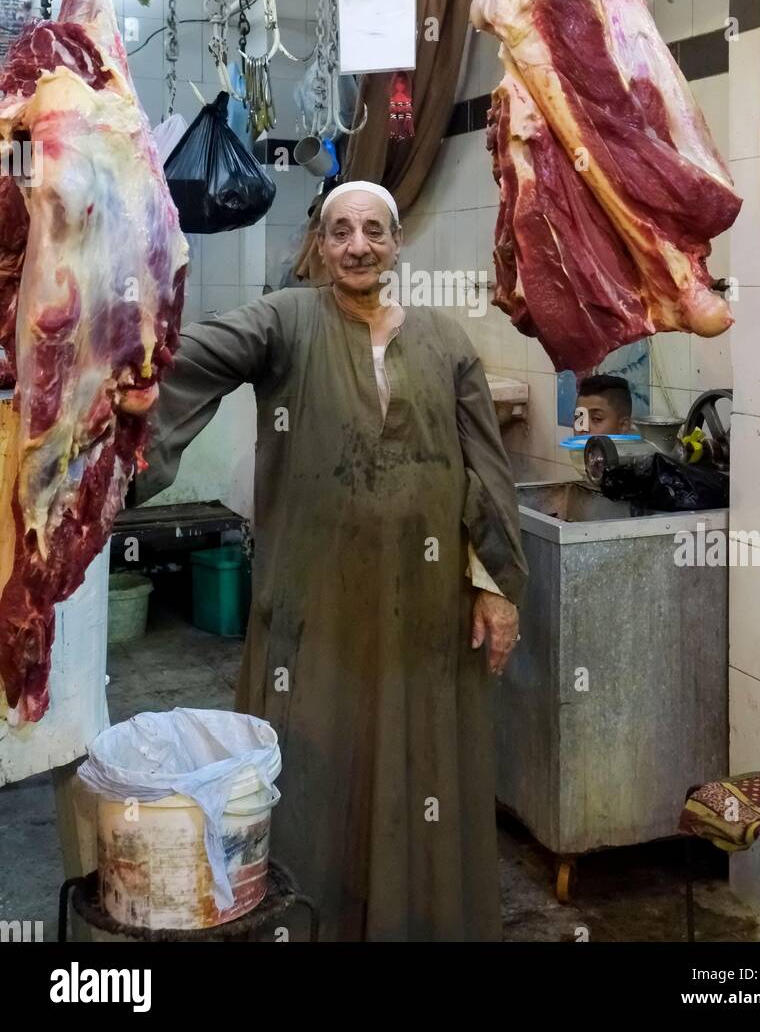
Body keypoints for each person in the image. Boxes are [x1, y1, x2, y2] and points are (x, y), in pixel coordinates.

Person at [135, 181, 528, 942]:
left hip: (426, 614)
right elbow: (190, 357)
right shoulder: (286, 322)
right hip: (313, 607)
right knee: (312, 771)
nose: (357, 247)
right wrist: (106, 361)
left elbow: (488, 472)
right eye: (340, 232)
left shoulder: (447, 343)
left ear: (395, 243)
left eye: (374, 232)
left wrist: (495, 589)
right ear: (320, 244)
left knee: (425, 775)